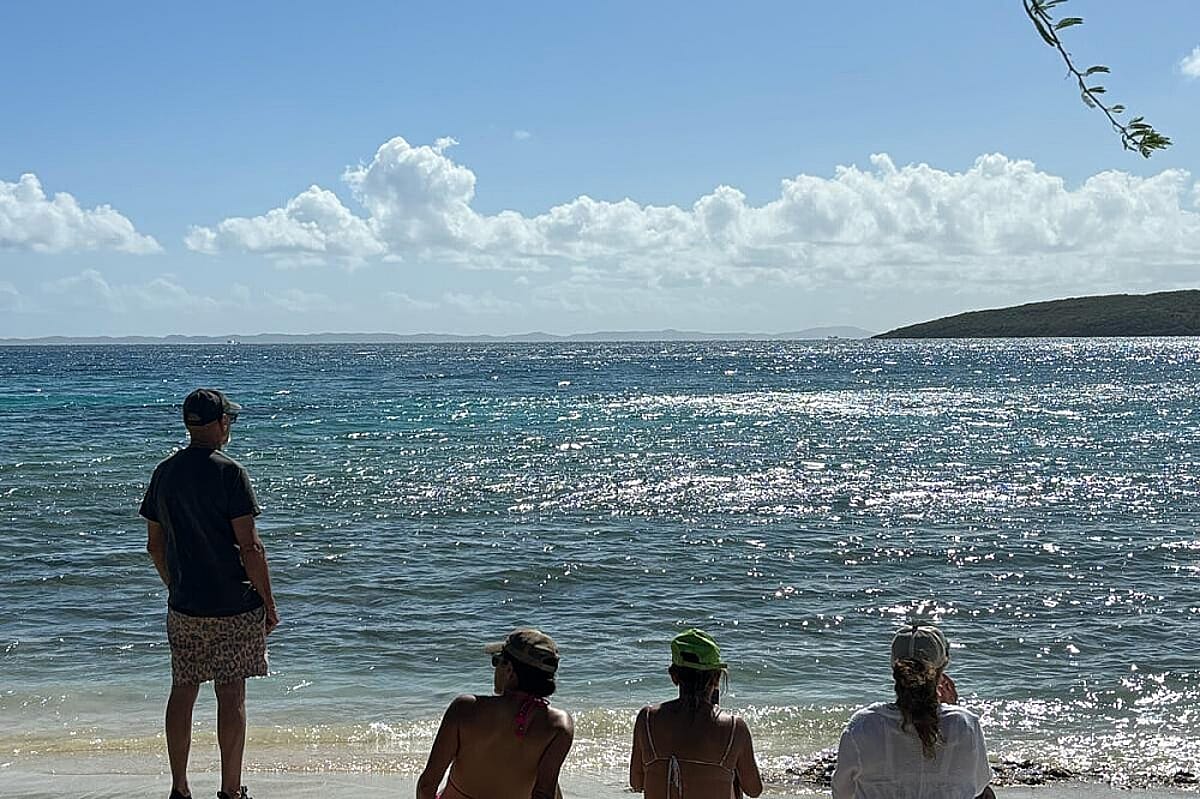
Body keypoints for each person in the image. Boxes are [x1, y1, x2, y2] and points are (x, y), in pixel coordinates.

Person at [140, 388, 280, 799]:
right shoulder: (229, 472)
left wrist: (174, 585)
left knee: (183, 688)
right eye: (229, 420)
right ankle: (231, 790)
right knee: (231, 692)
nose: (229, 427)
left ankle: (180, 787)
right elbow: (251, 547)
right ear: (219, 423)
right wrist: (269, 603)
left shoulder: (164, 473)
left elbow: (154, 545)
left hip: (185, 604)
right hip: (232, 604)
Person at [831, 623, 995, 799]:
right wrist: (951, 708)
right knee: (986, 795)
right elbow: (977, 784)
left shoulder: (864, 724)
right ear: (941, 671)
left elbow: (842, 791)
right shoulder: (964, 723)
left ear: (896, 669)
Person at [417, 629, 575, 799]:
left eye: (497, 660)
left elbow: (427, 785)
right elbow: (544, 793)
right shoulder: (558, 725)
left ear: (509, 670)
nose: (495, 668)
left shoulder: (465, 709)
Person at [629, 629, 763, 799]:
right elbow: (754, 789)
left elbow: (636, 783)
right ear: (716, 678)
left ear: (674, 676)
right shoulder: (734, 727)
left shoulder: (647, 719)